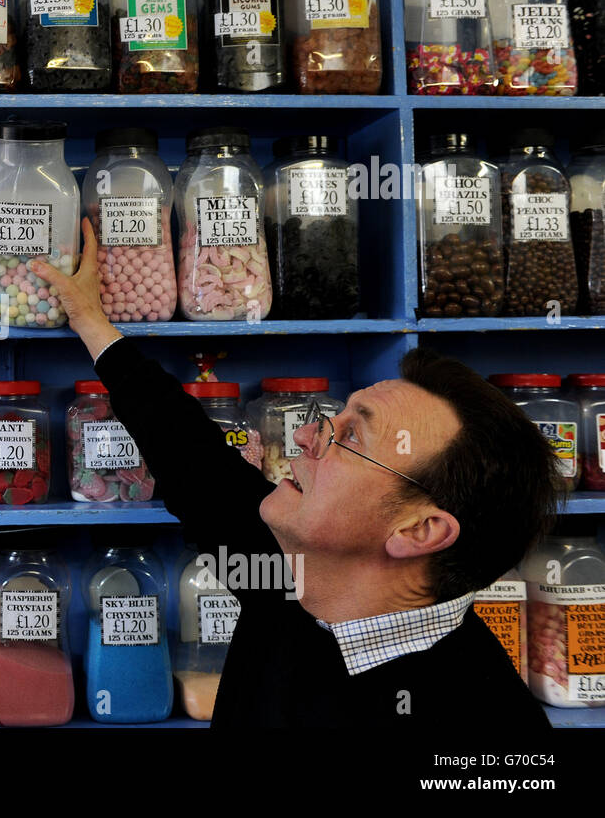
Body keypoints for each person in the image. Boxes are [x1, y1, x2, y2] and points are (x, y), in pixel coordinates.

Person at [30, 220, 557, 727]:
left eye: (349, 438)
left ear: (419, 530)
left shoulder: (483, 726)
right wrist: (89, 318)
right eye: (334, 419)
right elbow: (193, 459)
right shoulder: (289, 580)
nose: (305, 436)